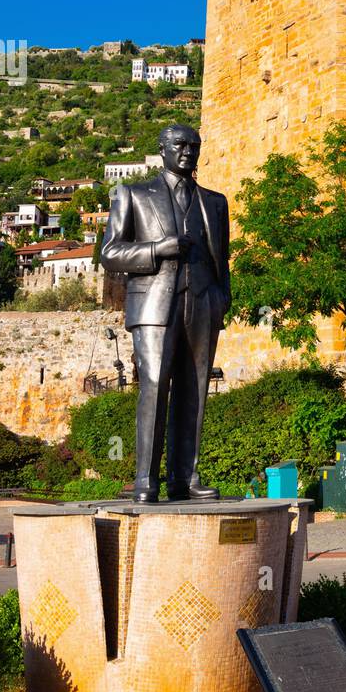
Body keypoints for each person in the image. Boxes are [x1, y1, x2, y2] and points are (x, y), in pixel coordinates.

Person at [100, 124, 230, 503]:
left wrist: (222, 298)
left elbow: (222, 259)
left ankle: (184, 477)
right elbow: (110, 253)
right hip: (155, 303)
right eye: (180, 145)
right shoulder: (134, 194)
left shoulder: (215, 202)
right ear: (162, 149)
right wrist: (158, 249)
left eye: (194, 145)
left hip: (203, 303)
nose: (188, 151)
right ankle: (145, 479)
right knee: (155, 386)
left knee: (195, 391)